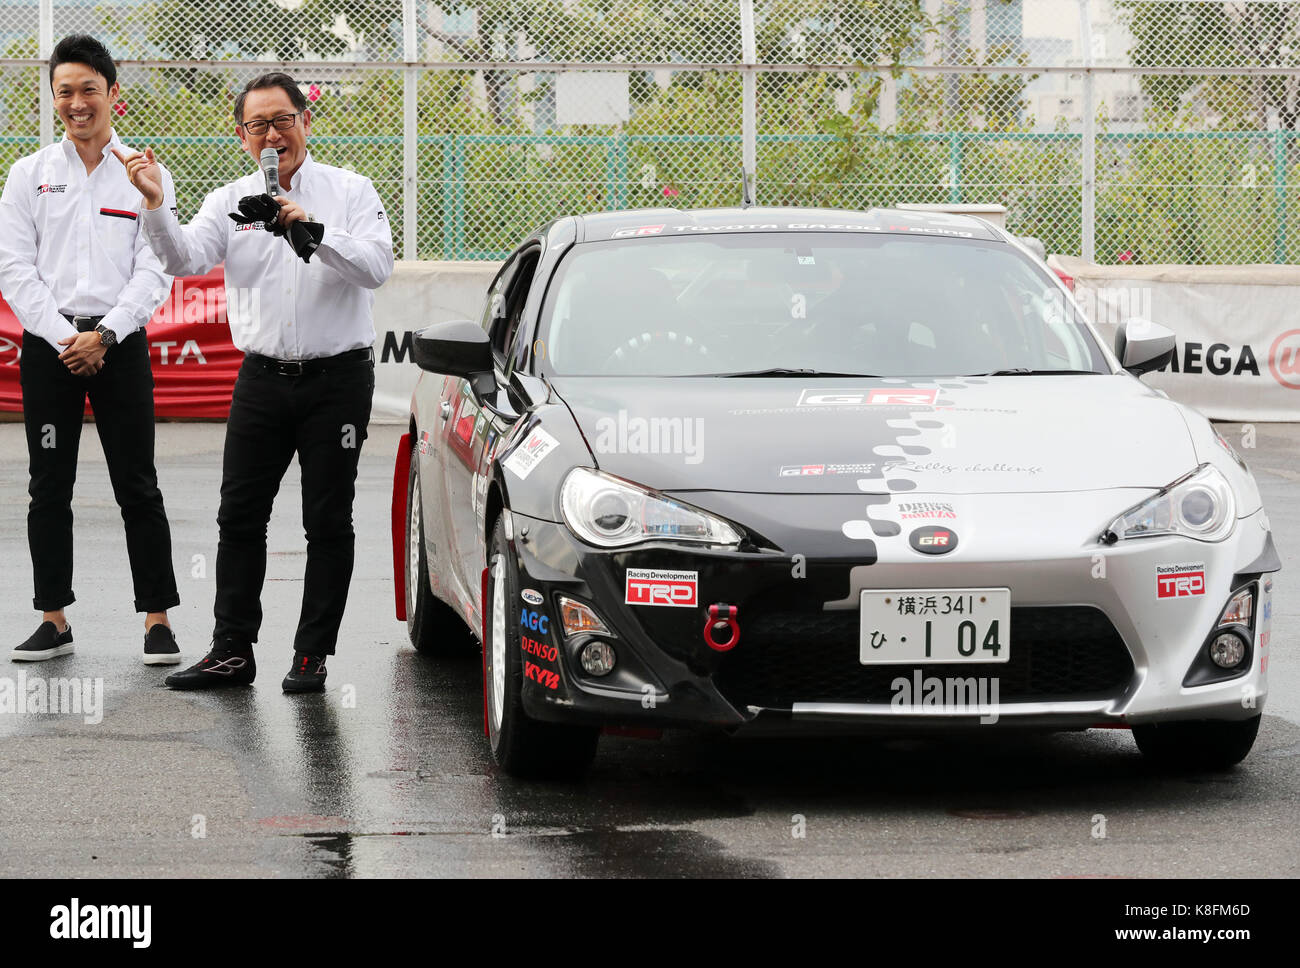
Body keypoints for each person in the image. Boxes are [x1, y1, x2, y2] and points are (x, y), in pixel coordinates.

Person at [116, 72, 394, 692]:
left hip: (337, 381)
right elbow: (183, 261)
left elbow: (377, 267)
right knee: (239, 517)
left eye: (282, 121)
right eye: (257, 125)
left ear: (306, 122)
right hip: (262, 379)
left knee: (327, 520)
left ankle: (311, 655)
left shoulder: (349, 190)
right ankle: (232, 650)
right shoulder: (228, 201)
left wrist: (312, 230)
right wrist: (156, 203)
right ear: (240, 134)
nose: (272, 136)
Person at [0, 35, 182, 666]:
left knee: (138, 481)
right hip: (51, 348)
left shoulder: (146, 175)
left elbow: (156, 268)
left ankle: (158, 619)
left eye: (89, 91)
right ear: (53, 99)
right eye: (65, 92)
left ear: (114, 96)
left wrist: (104, 335)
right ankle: (53, 617)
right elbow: (14, 268)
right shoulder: (29, 175)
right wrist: (63, 338)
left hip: (118, 346)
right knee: (49, 484)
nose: (78, 104)